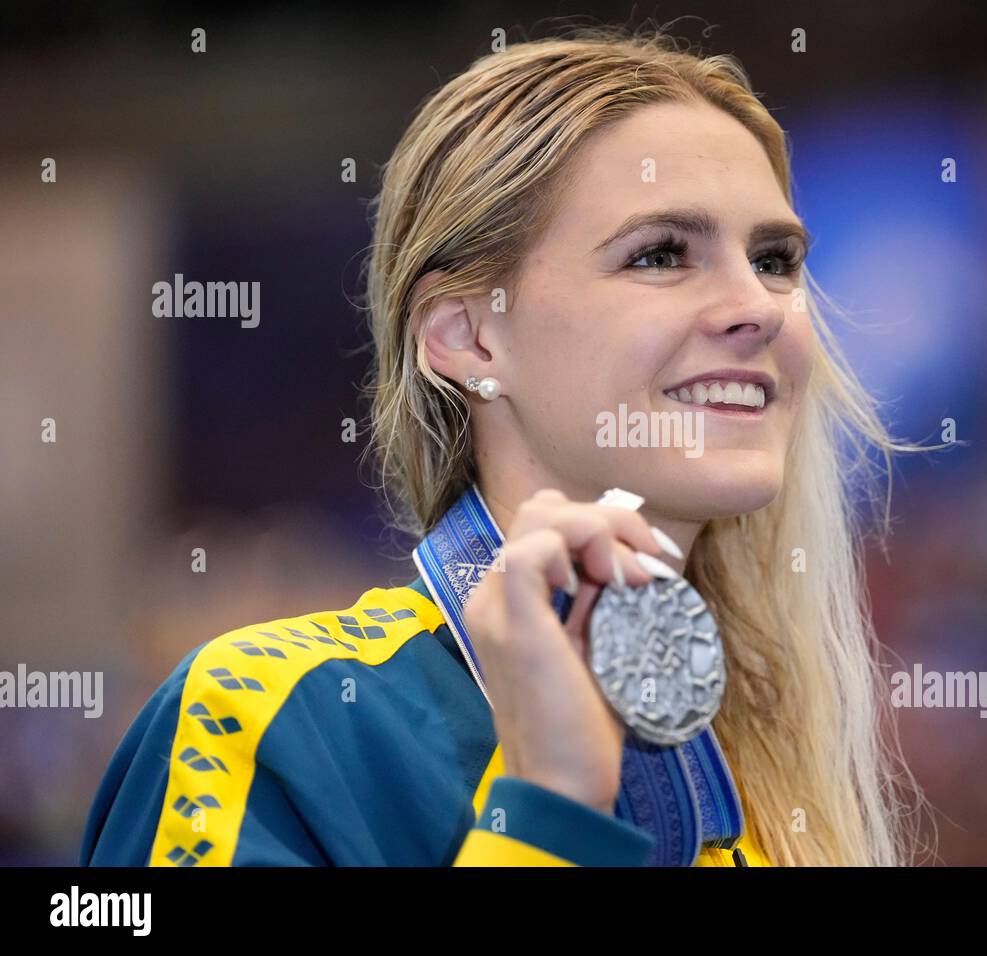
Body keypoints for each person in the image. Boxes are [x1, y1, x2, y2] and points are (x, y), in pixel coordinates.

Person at [79, 25, 919, 867]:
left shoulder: (774, 796)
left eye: (775, 259)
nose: (760, 306)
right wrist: (551, 809)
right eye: (661, 254)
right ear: (470, 339)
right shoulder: (267, 719)